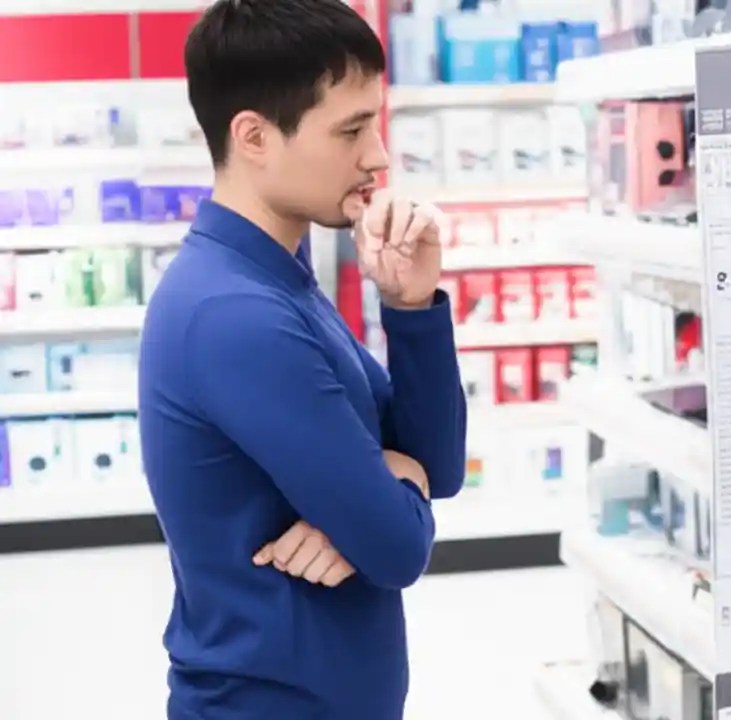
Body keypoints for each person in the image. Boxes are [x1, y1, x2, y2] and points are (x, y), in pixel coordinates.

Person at [137, 1, 466, 718]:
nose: (377, 155)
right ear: (253, 136)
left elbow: (437, 464)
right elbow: (397, 546)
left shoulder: (277, 279)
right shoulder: (233, 314)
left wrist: (411, 310)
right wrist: (386, 486)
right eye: (350, 129)